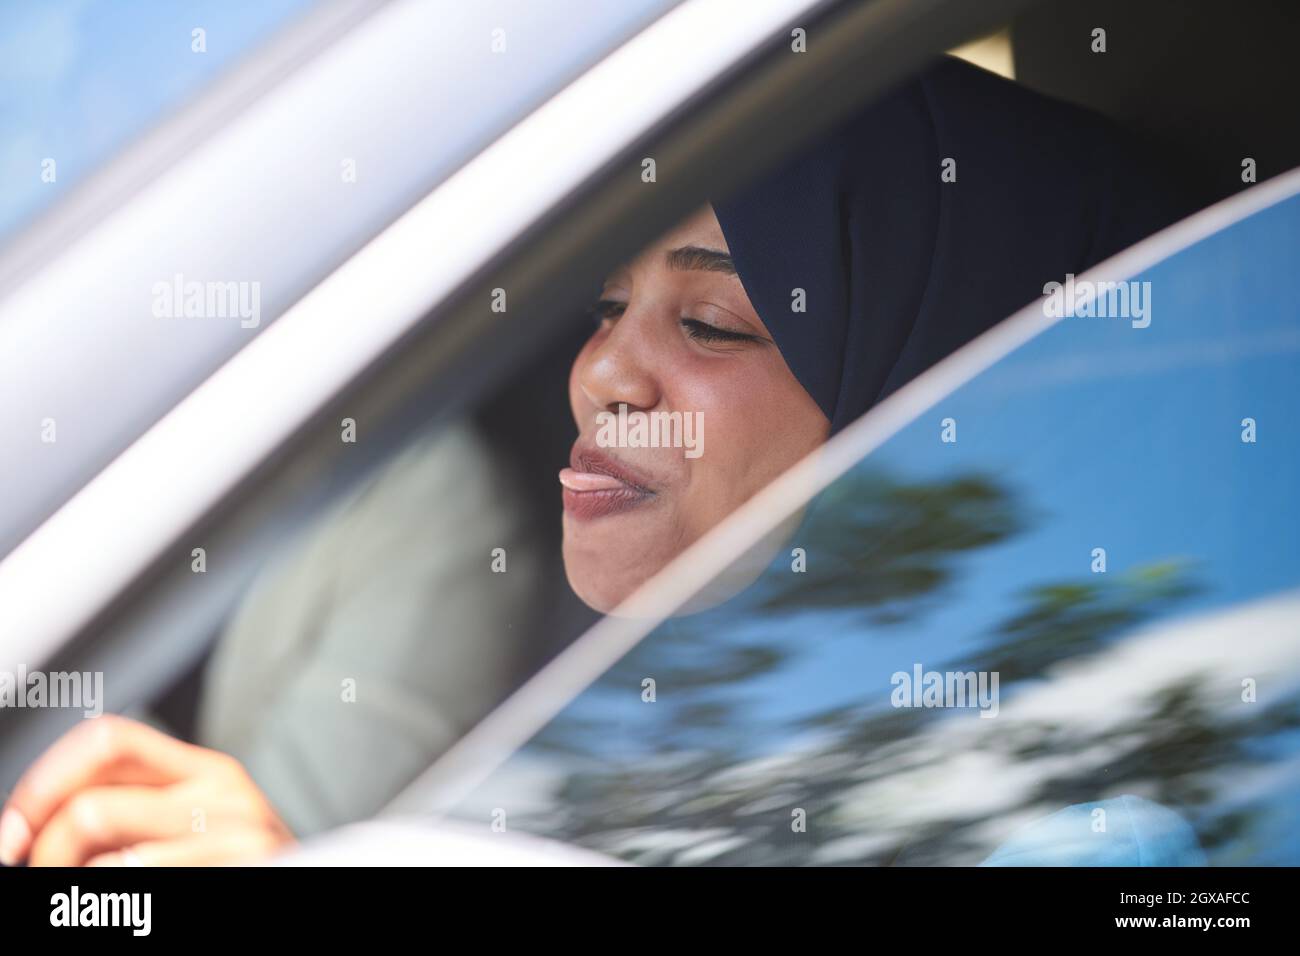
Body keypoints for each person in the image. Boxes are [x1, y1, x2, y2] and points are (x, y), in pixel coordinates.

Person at [0, 57, 1192, 867]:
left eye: (716, 322)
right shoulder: (704, 727)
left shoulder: (1084, 827)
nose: (601, 375)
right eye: (606, 304)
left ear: (939, 385)